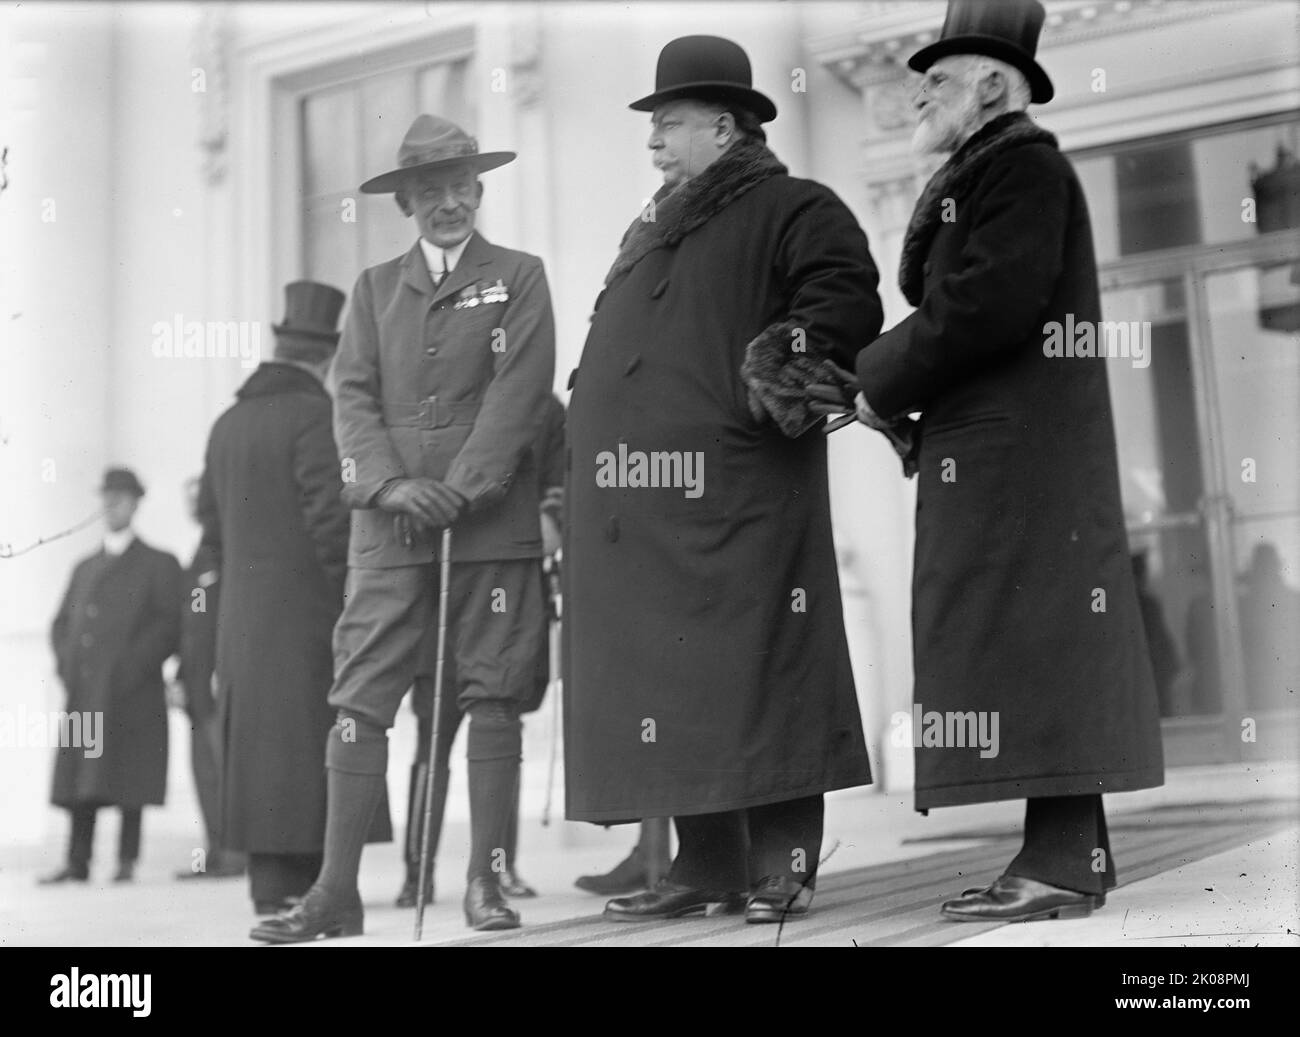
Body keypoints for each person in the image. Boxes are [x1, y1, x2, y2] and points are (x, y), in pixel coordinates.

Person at [840, 0, 1164, 922]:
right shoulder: (998, 171)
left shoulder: (1022, 169)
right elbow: (972, 308)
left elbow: (986, 304)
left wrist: (876, 378)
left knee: (1035, 649)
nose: (920, 95)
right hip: (1005, 456)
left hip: (1019, 462)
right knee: (1031, 650)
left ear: (990, 84)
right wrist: (887, 380)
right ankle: (1063, 854)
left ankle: (1061, 861)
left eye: (937, 79)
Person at [563, 35, 880, 925]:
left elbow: (845, 296)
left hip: (738, 492)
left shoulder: (793, 206)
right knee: (675, 684)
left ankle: (782, 866)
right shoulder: (653, 229)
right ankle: (704, 867)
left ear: (726, 126)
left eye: (668, 124)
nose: (654, 142)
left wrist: (778, 374)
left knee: (764, 672)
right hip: (641, 508)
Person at [252, 114, 555, 942]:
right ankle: (335, 894)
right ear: (407, 205)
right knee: (359, 698)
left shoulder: (521, 277)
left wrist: (459, 487)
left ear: (480, 191)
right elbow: (348, 398)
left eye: (460, 188)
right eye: (430, 194)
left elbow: (521, 392)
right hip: (390, 534)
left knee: (491, 695)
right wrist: (390, 487)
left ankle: (485, 886)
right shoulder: (373, 290)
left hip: (491, 531)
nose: (448, 204)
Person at [199, 281, 389, 916]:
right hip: (310, 618)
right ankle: (316, 887)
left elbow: (211, 531)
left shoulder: (226, 424)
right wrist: (356, 598)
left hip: (241, 623)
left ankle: (267, 888)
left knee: (259, 747)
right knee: (310, 744)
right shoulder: (317, 416)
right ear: (324, 358)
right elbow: (333, 523)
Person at [395, 393, 566, 908]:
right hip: (438, 597)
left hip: (510, 595)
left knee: (499, 729)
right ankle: (417, 874)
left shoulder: (544, 410)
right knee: (433, 740)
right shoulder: (434, 395)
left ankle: (497, 869)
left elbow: (558, 505)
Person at [42, 467, 182, 884]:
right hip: (85, 691)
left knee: (130, 773)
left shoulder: (159, 563)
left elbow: (169, 625)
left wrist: (131, 666)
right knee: (79, 778)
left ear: (136, 503)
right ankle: (76, 860)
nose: (112, 505)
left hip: (132, 691)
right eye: (107, 497)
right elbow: (61, 623)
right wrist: (69, 665)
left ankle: (126, 860)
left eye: (120, 498)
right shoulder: (85, 567)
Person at [173, 476, 245, 880]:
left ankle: (236, 854)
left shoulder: (225, 550)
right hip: (198, 685)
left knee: (225, 769)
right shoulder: (201, 553)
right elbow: (192, 625)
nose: (194, 504)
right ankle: (217, 852)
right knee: (205, 771)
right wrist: (182, 676)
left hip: (221, 680)